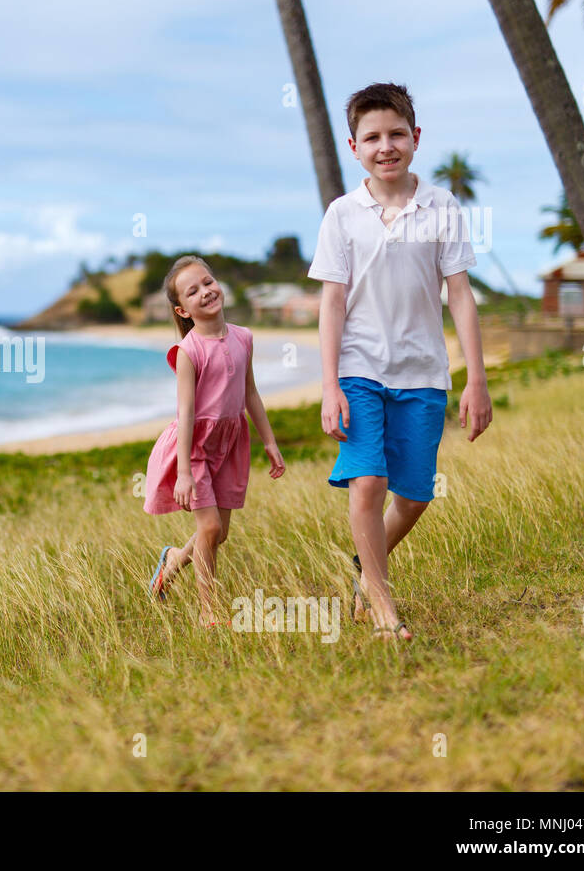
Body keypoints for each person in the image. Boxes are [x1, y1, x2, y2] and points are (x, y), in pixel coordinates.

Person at [308, 81, 493, 642]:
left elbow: (458, 293)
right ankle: (385, 609)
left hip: (423, 374)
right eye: (372, 138)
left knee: (414, 495)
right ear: (353, 147)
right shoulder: (342, 214)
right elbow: (332, 302)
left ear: (415, 138)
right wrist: (328, 385)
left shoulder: (442, 205)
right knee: (369, 483)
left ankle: (366, 575)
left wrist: (476, 379)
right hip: (358, 370)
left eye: (395, 134)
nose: (384, 146)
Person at [144, 256, 285, 627]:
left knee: (218, 534)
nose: (206, 292)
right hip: (195, 447)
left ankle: (173, 559)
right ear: (183, 309)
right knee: (208, 529)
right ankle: (210, 612)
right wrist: (185, 473)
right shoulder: (189, 352)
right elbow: (186, 412)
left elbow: (250, 392)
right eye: (193, 291)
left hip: (231, 442)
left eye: (208, 282)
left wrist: (268, 441)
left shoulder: (244, 337)